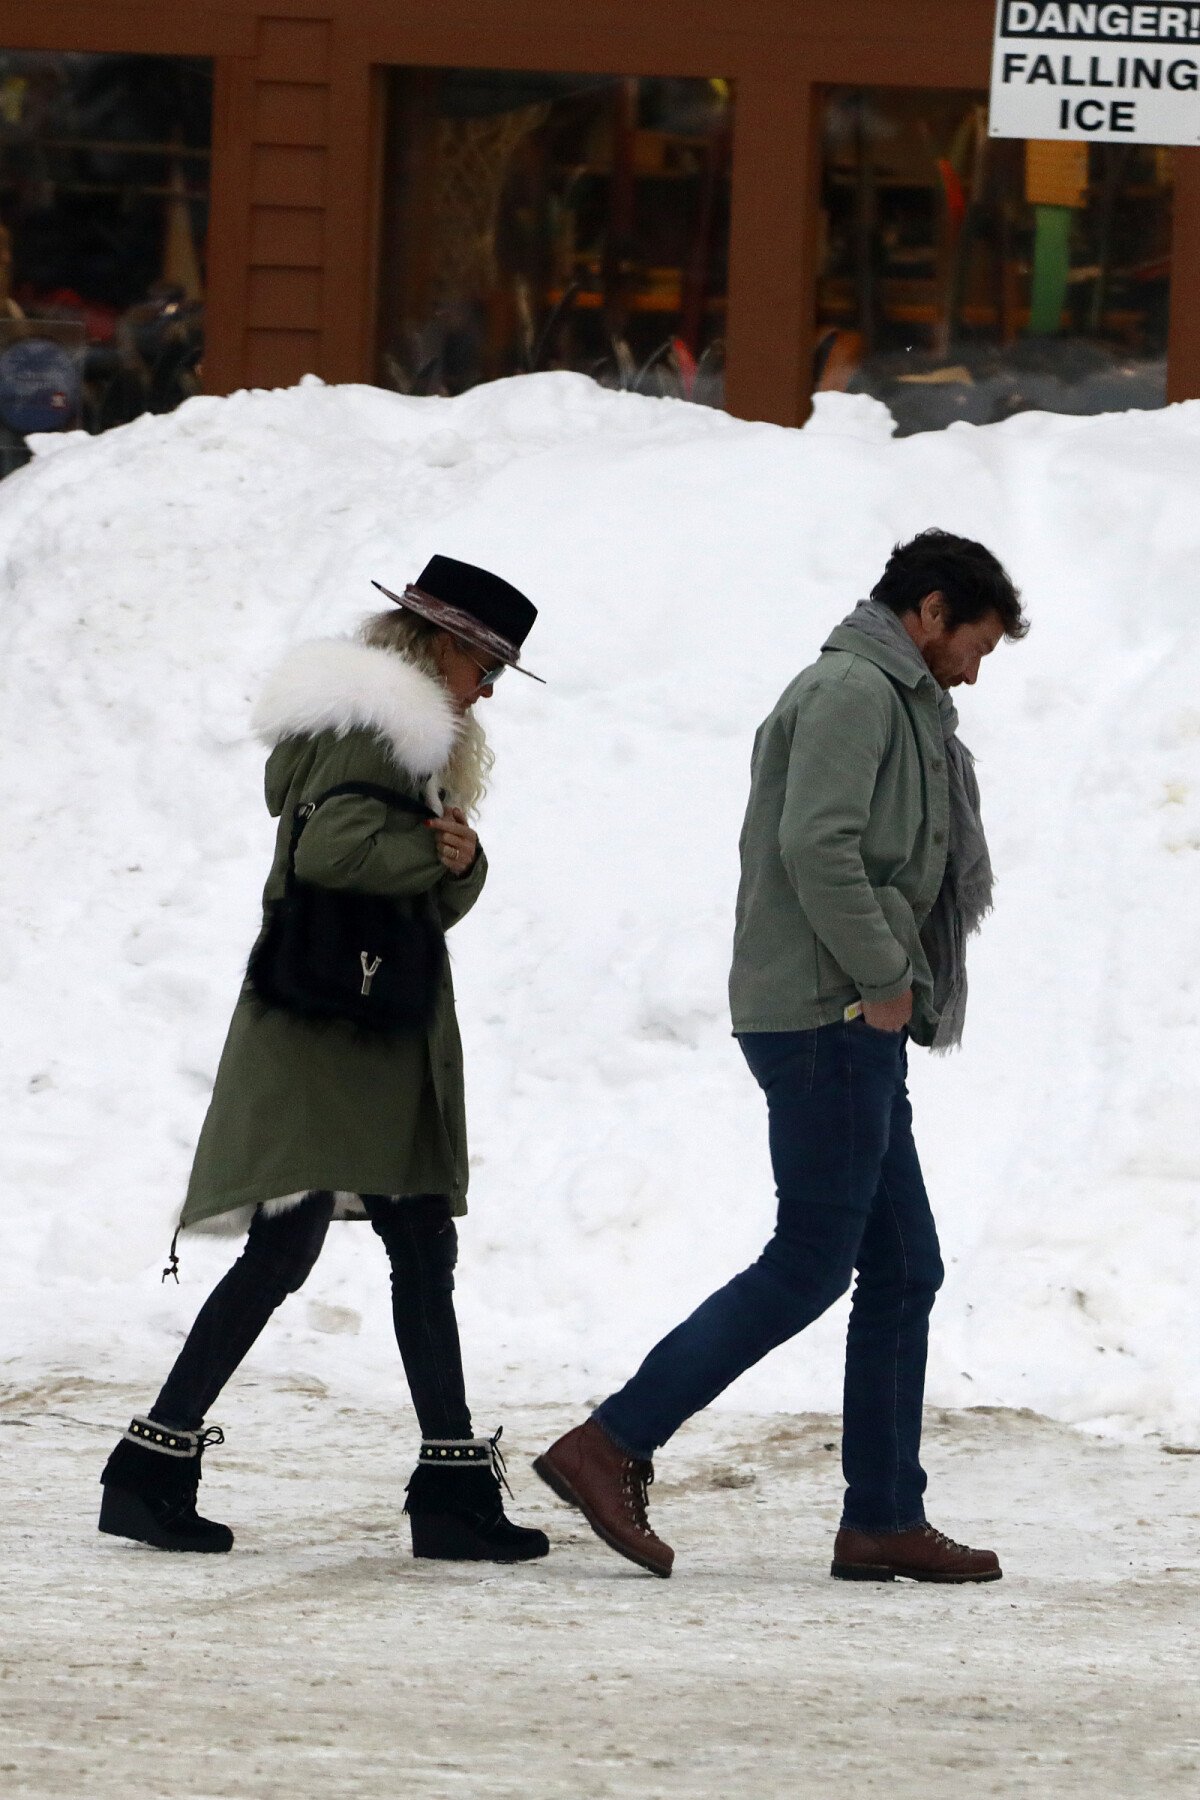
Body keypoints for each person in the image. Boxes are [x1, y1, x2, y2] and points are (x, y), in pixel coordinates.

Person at [535, 529, 1028, 1583]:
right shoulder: (855, 691)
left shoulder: (895, 698)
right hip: (828, 1015)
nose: (979, 670)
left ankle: (885, 1516)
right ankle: (610, 1444)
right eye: (976, 643)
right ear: (931, 612)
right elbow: (819, 844)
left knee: (904, 1266)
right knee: (812, 1261)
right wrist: (887, 972)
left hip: (840, 1013)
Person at [99, 555, 549, 1564]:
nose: (489, 687)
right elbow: (332, 854)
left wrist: (456, 866)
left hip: (341, 1027)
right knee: (373, 1243)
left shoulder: (375, 729)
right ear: (442, 645)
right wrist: (428, 856)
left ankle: (160, 1467)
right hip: (338, 1036)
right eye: (486, 664)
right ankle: (439, 1493)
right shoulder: (383, 731)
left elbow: (398, 882)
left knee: (364, 1243)